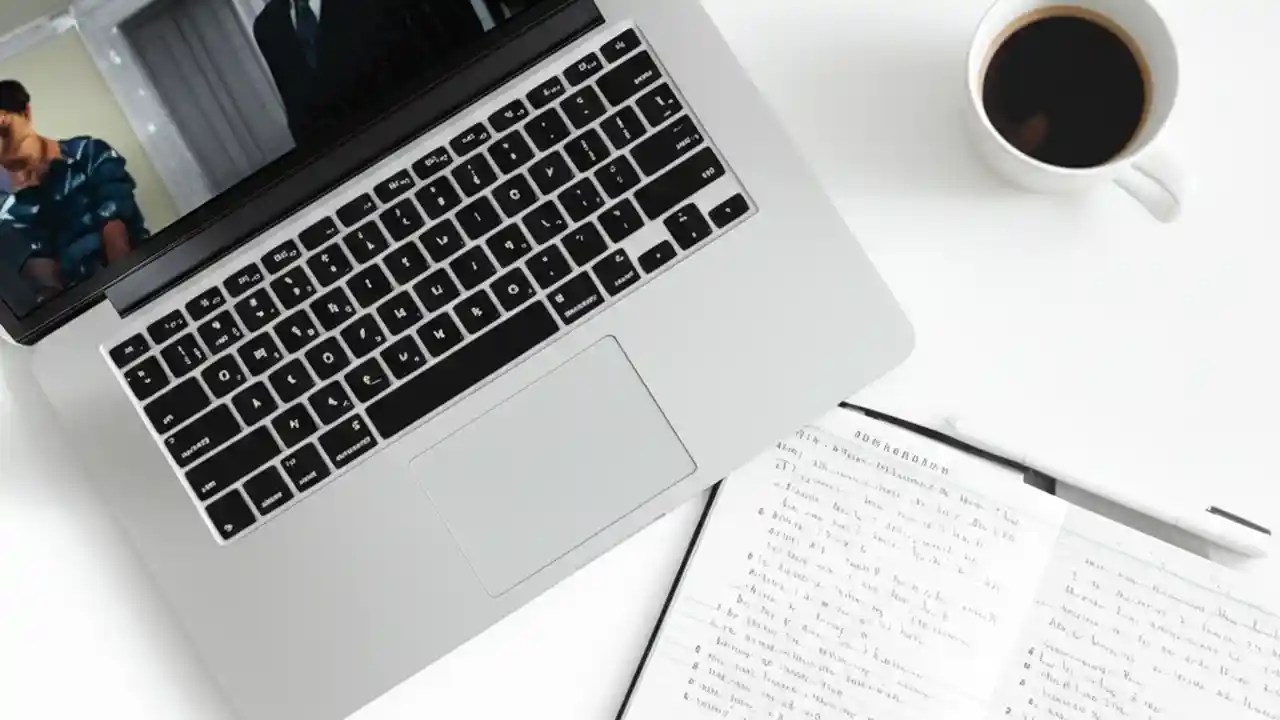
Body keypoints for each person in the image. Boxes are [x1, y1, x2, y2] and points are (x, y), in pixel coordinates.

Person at [254, 0, 488, 144]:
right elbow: (301, 123)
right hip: (356, 181)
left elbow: (463, 40)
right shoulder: (269, 26)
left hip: (438, 135)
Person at [0, 80, 149, 302]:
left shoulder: (88, 154)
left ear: (26, 113)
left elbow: (117, 235)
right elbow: (45, 279)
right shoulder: (8, 209)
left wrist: (130, 294)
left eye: (3, 126)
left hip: (141, 278)